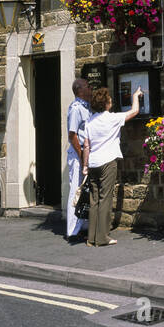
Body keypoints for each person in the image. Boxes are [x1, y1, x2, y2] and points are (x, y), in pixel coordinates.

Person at [83, 85, 141, 247]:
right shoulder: (112, 118)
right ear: (106, 104)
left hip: (93, 163)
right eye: (109, 100)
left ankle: (91, 238)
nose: (111, 101)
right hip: (107, 162)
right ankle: (102, 238)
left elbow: (86, 146)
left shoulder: (89, 122)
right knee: (105, 199)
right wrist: (136, 96)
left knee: (94, 200)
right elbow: (134, 112)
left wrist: (85, 166)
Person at [65, 76, 92, 244]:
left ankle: (82, 227)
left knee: (84, 191)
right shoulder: (76, 108)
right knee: (76, 190)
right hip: (77, 156)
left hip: (85, 155)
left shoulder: (86, 107)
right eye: (88, 87)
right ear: (80, 90)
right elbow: (72, 135)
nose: (90, 90)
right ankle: (72, 231)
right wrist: (81, 155)